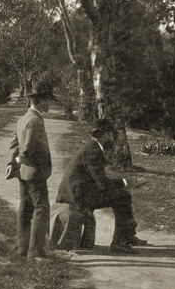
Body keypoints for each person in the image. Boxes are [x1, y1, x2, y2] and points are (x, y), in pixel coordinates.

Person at [50, 118, 147, 252]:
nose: (112, 138)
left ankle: (128, 236)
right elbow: (102, 184)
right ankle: (120, 242)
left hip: (78, 192)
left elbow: (98, 181)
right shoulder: (93, 152)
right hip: (77, 197)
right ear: (105, 134)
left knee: (122, 195)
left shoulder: (92, 147)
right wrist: (125, 182)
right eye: (111, 134)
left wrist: (123, 183)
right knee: (122, 197)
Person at [8, 82, 55, 259]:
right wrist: (19, 159)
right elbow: (26, 149)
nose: (50, 104)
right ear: (40, 100)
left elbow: (14, 143)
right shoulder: (35, 122)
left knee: (25, 209)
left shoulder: (24, 118)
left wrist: (11, 163)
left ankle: (23, 249)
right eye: (48, 100)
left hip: (23, 174)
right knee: (41, 209)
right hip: (35, 173)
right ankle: (36, 253)